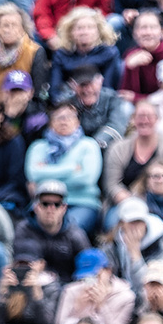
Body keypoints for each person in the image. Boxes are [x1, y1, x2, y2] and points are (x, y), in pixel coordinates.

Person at [25, 100, 103, 237]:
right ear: (50, 122)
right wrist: (72, 168)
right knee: (30, 227)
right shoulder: (38, 147)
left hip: (81, 202)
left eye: (69, 117)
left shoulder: (89, 145)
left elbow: (87, 179)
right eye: (59, 117)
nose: (64, 121)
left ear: (78, 122)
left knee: (69, 229)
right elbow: (33, 173)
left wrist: (46, 175)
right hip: (45, 204)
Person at [103, 101, 163, 219]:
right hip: (124, 203)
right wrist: (130, 201)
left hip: (161, 201)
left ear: (157, 119)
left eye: (149, 116)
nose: (144, 120)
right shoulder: (117, 148)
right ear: (133, 119)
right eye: (140, 116)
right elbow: (112, 184)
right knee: (114, 222)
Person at [54, 249, 137, 324]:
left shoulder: (126, 296)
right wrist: (77, 308)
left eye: (94, 276)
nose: (89, 282)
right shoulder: (70, 291)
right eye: (84, 278)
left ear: (108, 270)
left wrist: (102, 306)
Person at [12, 180, 93, 283]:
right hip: (33, 285)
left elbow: (87, 269)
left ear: (64, 208)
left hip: (68, 290)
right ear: (36, 207)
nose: (50, 209)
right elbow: (20, 267)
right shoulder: (24, 230)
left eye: (56, 204)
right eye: (45, 204)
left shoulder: (75, 234)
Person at [0, 3, 51, 100]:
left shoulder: (35, 51)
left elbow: (38, 92)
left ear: (23, 29)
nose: (9, 30)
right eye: (4, 25)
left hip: (25, 105)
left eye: (14, 25)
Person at [49, 7, 123, 94]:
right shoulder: (62, 54)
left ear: (98, 31)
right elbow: (55, 91)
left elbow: (109, 89)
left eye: (90, 27)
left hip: (102, 101)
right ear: (70, 32)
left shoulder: (109, 53)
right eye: (79, 28)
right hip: (69, 101)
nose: (84, 32)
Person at [121, 10, 163, 101]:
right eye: (143, 28)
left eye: (153, 27)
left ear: (162, 32)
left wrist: (138, 98)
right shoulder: (131, 55)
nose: (148, 32)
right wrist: (130, 67)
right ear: (134, 33)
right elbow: (125, 95)